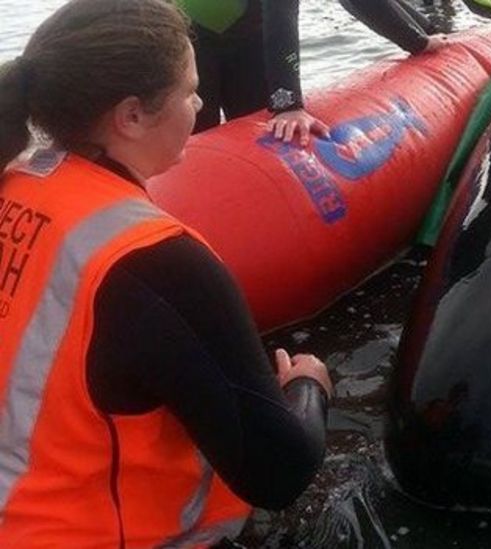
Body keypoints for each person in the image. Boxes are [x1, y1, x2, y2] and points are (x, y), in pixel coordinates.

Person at [0, 0, 333, 545]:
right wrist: (307, 386)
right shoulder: (157, 261)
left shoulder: (14, 184)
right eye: (190, 91)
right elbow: (278, 473)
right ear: (130, 117)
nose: (200, 103)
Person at [178, 0, 449, 145]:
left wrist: (424, 34)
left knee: (253, 136)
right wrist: (288, 105)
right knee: (194, 137)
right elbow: (280, 13)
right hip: (190, 36)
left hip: (246, 33)